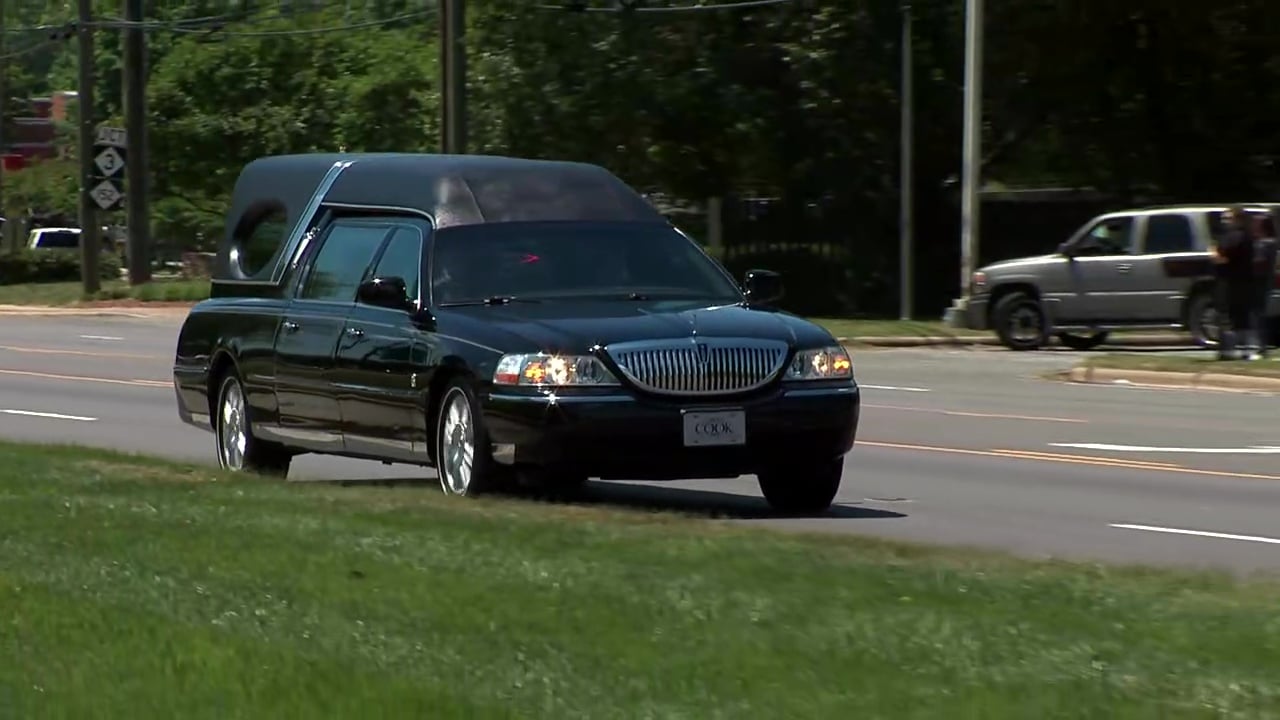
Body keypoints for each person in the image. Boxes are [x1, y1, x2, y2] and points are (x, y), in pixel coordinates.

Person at [1212, 206, 1256, 360]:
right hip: (1242, 281)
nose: (1225, 221)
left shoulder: (1234, 237)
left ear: (1238, 219)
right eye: (1224, 218)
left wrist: (1214, 252)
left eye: (1228, 218)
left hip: (1231, 281)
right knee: (1242, 316)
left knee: (1228, 316)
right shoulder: (1247, 236)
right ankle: (1245, 350)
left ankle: (1228, 351)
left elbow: (1221, 258)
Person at [1250, 210, 1279, 357]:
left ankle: (1260, 346)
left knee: (1257, 315)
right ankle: (1261, 345)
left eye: (1256, 224)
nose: (1253, 226)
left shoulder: (1263, 243)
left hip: (1258, 282)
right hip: (1266, 281)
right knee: (1259, 314)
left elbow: (1258, 262)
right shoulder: (1272, 242)